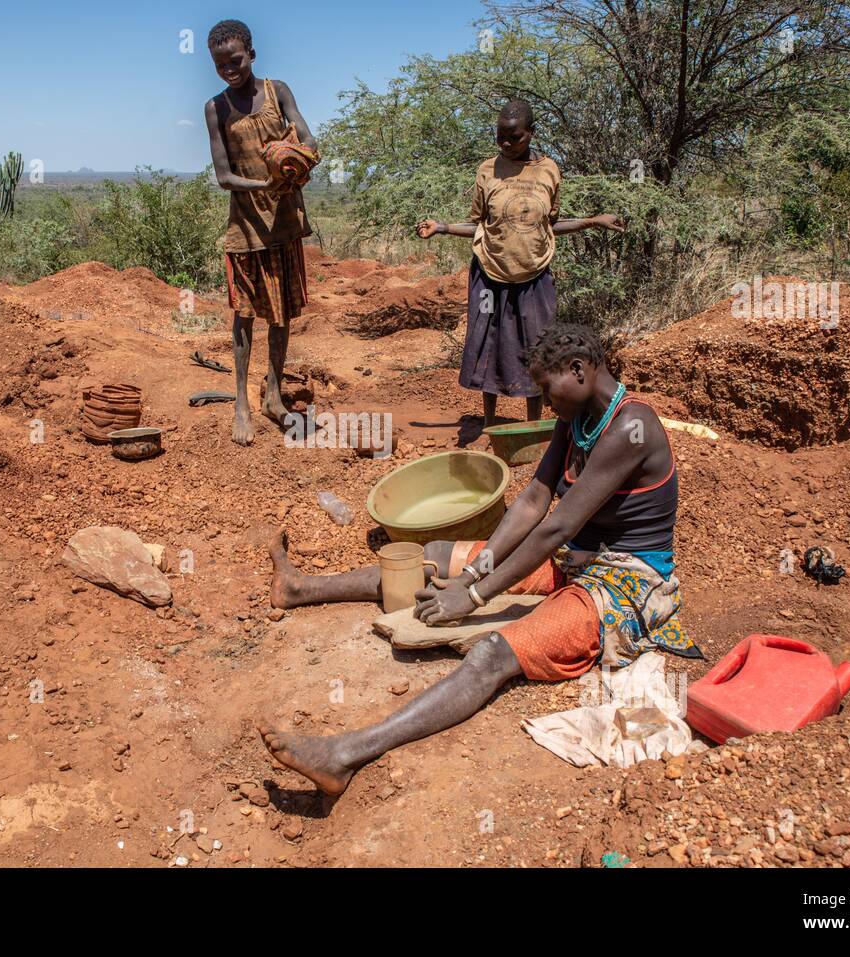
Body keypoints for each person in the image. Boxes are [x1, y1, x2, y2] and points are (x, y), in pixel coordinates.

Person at [259, 322, 702, 797]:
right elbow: (534, 498)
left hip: (625, 583)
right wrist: (472, 570)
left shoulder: (632, 428)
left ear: (578, 370)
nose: (544, 401)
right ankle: (302, 589)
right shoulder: (576, 420)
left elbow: (556, 526)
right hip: (577, 559)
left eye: (546, 388)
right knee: (430, 557)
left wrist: (471, 596)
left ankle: (345, 755)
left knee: (493, 652)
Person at [415, 99, 626, 428]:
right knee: (488, 344)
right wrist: (441, 227)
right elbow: (481, 226)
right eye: (500, 137)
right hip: (490, 276)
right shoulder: (487, 170)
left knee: (538, 347)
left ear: (532, 133)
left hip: (535, 277)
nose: (506, 144)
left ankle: (532, 426)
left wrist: (593, 221)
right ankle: (489, 424)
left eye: (514, 137)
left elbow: (549, 225)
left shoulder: (549, 170)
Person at [204, 19, 318, 446]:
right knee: (244, 314)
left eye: (234, 60)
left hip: (285, 223)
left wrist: (297, 159)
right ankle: (240, 403)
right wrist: (262, 185)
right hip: (246, 228)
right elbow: (223, 176)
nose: (229, 69)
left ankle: (274, 396)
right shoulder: (215, 108)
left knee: (283, 313)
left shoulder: (278, 91)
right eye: (219, 64)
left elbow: (307, 137)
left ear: (251, 52)